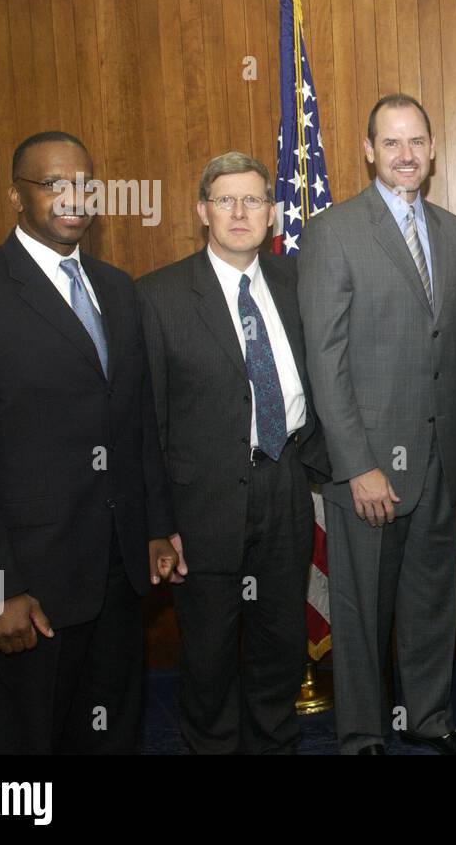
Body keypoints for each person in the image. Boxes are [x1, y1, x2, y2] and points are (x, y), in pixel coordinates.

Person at [0, 131, 180, 753]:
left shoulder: (116, 289)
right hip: (28, 586)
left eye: (85, 184)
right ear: (15, 197)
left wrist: (155, 528)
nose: (73, 197)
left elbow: (136, 420)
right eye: (54, 184)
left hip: (116, 576)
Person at [297, 94, 456, 755]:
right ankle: (362, 733)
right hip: (369, 468)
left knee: (432, 598)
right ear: (368, 150)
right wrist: (357, 463)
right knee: (360, 608)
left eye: (417, 141)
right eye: (392, 142)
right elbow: (326, 362)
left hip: (438, 458)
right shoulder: (334, 232)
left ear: (433, 149)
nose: (406, 154)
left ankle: (430, 718)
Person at [136, 152, 331, 753]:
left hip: (286, 486)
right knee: (210, 655)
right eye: (226, 200)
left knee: (278, 644)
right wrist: (158, 524)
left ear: (272, 213)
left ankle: (275, 745)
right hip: (204, 502)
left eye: (253, 200)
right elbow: (146, 423)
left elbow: (326, 379)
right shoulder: (159, 296)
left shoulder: (298, 283)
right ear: (202, 211)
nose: (240, 212)